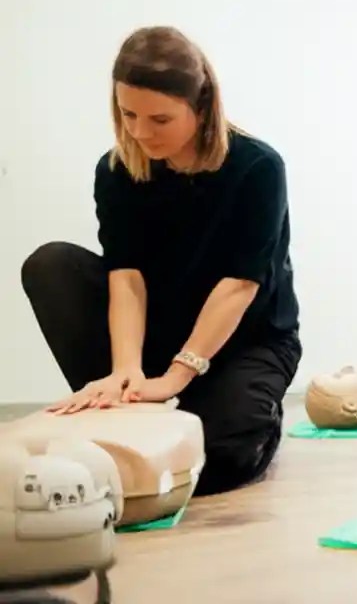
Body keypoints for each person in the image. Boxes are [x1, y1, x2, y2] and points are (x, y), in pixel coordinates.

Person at [20, 25, 302, 496]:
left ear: (202, 106)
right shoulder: (116, 171)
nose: (139, 131)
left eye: (160, 120)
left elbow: (239, 284)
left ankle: (250, 415)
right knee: (51, 265)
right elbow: (125, 276)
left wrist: (176, 376)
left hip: (243, 343)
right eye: (128, 114)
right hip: (160, 334)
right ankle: (125, 401)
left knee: (218, 461)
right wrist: (127, 369)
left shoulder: (258, 168)